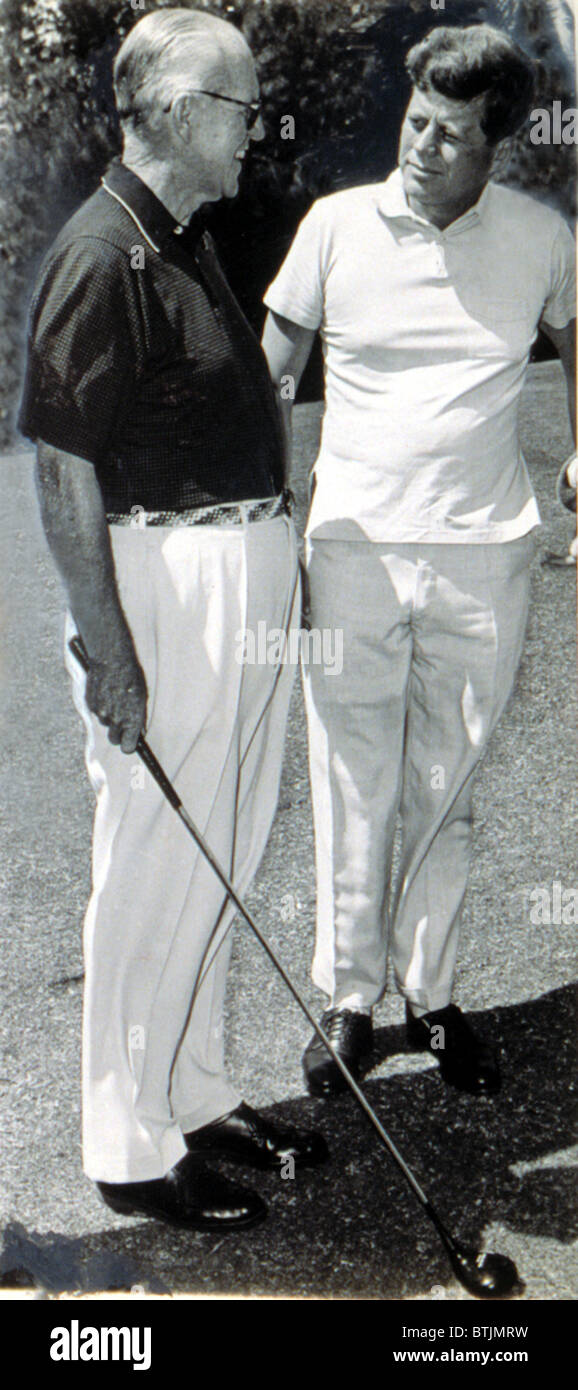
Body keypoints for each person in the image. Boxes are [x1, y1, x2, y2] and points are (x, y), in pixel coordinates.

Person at [19, 7, 327, 1232]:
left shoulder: (182, 236)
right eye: (245, 108)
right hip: (168, 583)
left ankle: (190, 1093)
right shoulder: (104, 254)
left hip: (237, 569)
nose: (258, 129)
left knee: (224, 850)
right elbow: (60, 467)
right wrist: (109, 649)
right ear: (189, 111)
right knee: (156, 865)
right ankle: (128, 1143)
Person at [262, 24, 576, 1098]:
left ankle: (431, 996)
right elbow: (274, 365)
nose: (421, 146)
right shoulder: (333, 225)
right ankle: (349, 1000)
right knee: (352, 779)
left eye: (449, 134)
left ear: (497, 144)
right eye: (415, 121)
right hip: (351, 548)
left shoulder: (540, 236)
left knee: (447, 787)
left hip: (484, 556)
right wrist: (266, 506)